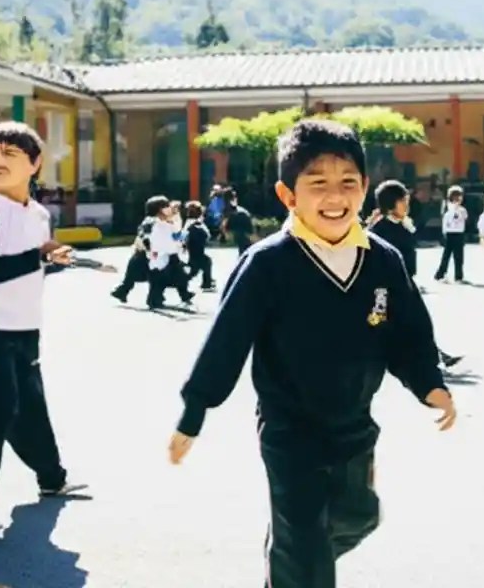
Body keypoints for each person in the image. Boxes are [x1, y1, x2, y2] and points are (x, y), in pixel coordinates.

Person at [167, 119, 457, 588]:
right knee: (305, 548)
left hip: (355, 426)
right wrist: (195, 410)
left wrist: (430, 384)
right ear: (288, 195)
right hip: (289, 430)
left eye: (347, 183)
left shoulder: (382, 259)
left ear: (364, 187)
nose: (334, 197)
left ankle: (291, 559)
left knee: (358, 517)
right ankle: (295, 562)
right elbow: (226, 341)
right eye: (317, 184)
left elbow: (409, 335)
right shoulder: (268, 263)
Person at [0, 121, 86, 531]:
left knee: (30, 406)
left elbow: (30, 267)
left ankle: (53, 479)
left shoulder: (40, 215)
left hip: (27, 325)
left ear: (35, 164)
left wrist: (54, 260)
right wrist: (40, 258)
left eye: (9, 153)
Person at [369, 180, 462, 368]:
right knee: (385, 324)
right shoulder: (380, 230)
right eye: (403, 201)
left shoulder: (401, 224)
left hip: (405, 282)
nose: (407, 205)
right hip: (386, 288)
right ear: (391, 204)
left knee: (418, 322)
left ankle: (436, 356)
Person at [145, 196, 195, 309]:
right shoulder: (158, 225)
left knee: (178, 275)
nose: (169, 208)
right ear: (159, 209)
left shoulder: (165, 223)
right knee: (158, 281)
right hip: (160, 258)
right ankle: (154, 300)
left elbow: (176, 235)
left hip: (165, 257)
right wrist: (178, 243)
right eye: (166, 206)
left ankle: (184, 295)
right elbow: (167, 243)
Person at [434, 185, 467, 283]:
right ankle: (440, 274)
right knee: (446, 255)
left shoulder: (462, 209)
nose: (458, 199)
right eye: (456, 196)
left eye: (460, 196)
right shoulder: (448, 207)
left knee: (459, 256)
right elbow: (448, 218)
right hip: (450, 233)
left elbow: (464, 217)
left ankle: (458, 276)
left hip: (459, 233)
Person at [184, 200, 216, 292]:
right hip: (197, 250)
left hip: (194, 250)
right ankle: (206, 283)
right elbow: (207, 235)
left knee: (196, 269)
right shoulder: (196, 223)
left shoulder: (189, 222)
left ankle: (206, 282)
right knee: (204, 264)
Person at [222, 189, 255, 254]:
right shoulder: (235, 213)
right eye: (234, 197)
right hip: (241, 244)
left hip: (243, 243)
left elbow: (250, 233)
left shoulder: (241, 213)